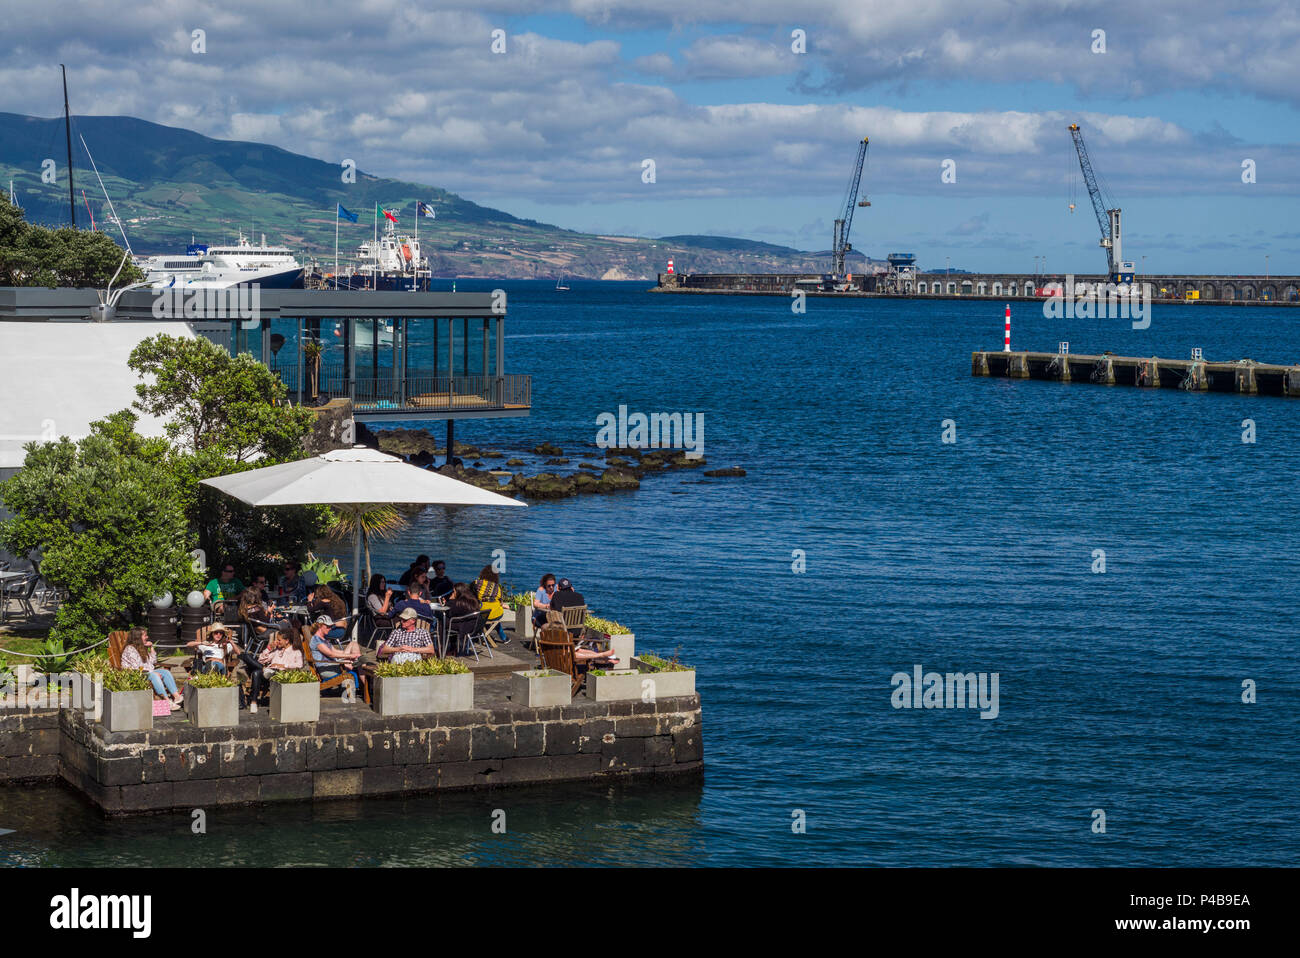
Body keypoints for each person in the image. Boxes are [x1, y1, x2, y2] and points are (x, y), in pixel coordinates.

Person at [120, 627, 185, 710]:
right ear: (137, 637)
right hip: (135, 674)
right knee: (154, 676)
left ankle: (177, 697)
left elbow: (153, 661)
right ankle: (167, 701)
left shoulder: (141, 647)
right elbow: (137, 667)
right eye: (145, 635)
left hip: (146, 672)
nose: (147, 637)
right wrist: (152, 673)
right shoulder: (130, 649)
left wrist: (151, 648)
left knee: (165, 672)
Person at [238, 627, 303, 710]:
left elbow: (299, 665)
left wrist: (282, 665)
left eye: (279, 640)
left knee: (256, 671)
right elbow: (260, 660)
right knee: (250, 660)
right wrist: (269, 648)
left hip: (280, 675)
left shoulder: (295, 652)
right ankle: (254, 702)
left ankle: (254, 701)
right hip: (268, 675)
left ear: (286, 641)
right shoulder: (277, 650)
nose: (277, 642)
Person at [308, 615, 363, 698]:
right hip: (327, 669)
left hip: (333, 665)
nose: (330, 628)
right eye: (328, 626)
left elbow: (336, 651)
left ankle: (363, 684)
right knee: (359, 665)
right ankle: (365, 688)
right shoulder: (316, 640)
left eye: (331, 626)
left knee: (353, 644)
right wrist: (351, 656)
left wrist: (352, 655)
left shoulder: (324, 639)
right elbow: (331, 654)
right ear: (320, 626)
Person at [473, 565, 508, 646]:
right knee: (494, 617)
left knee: (484, 616)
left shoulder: (476, 583)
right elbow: (501, 603)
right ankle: (503, 637)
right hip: (496, 614)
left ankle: (484, 636)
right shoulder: (497, 587)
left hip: (482, 613)